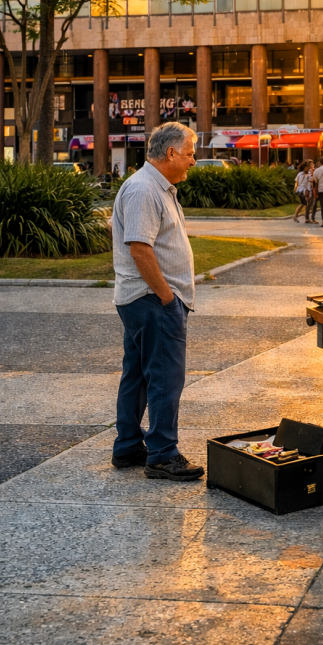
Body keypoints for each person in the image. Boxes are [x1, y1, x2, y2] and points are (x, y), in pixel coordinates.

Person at [110, 121, 204, 481]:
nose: (193, 161)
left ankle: (129, 447)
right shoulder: (144, 189)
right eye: (190, 153)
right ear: (170, 153)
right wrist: (167, 297)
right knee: (165, 378)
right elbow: (139, 248)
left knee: (138, 375)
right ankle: (163, 455)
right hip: (152, 300)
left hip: (148, 300)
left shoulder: (158, 188)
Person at [304, 160, 319, 224]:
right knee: (311, 203)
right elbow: (310, 180)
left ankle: (309, 218)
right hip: (311, 189)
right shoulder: (310, 171)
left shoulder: (312, 170)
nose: (313, 164)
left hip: (311, 188)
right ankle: (310, 218)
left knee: (310, 204)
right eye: (311, 163)